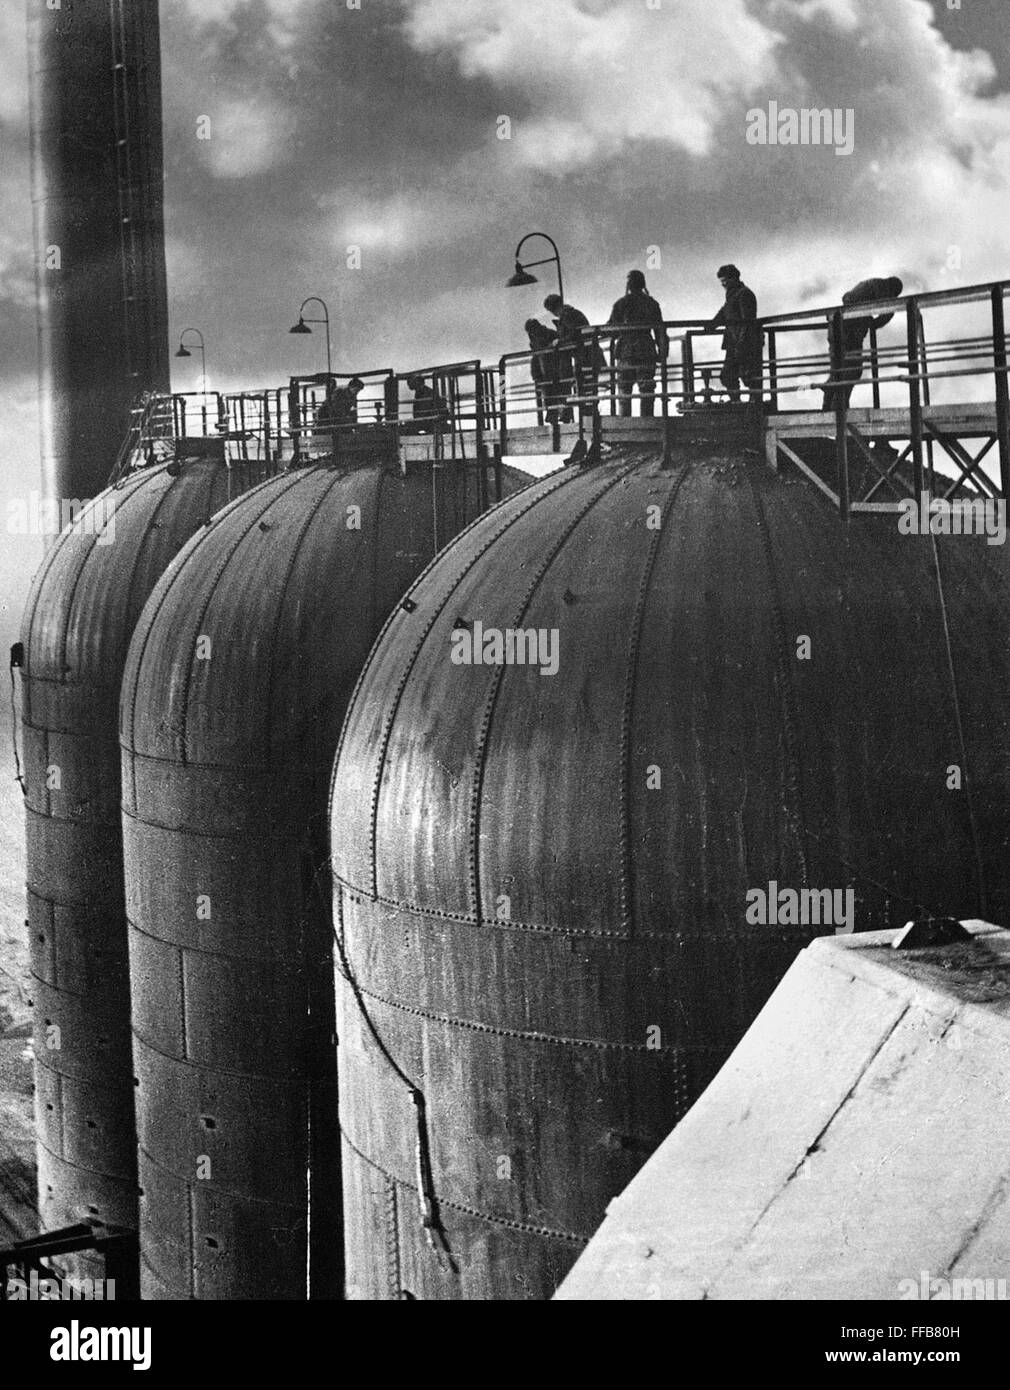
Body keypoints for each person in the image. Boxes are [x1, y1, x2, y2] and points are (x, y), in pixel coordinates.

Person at [822, 276, 904, 412]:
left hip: (837, 327)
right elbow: (887, 313)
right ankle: (838, 407)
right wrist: (872, 323)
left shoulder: (869, 285)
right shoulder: (883, 288)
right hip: (849, 332)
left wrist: (868, 320)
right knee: (852, 370)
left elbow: (848, 298)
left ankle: (828, 405)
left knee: (838, 370)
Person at [607, 270, 668, 417]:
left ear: (628, 284)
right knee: (646, 390)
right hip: (646, 350)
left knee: (624, 391)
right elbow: (660, 330)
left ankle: (624, 423)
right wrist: (663, 352)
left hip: (626, 352)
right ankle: (647, 422)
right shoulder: (651, 304)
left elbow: (611, 329)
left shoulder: (621, 304)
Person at [707, 265, 763, 402]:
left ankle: (752, 403)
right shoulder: (733, 295)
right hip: (734, 342)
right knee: (729, 375)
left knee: (748, 376)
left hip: (744, 343)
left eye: (725, 281)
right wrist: (710, 326)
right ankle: (737, 401)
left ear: (734, 278)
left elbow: (748, 321)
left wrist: (741, 343)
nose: (723, 284)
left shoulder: (744, 294)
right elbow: (724, 313)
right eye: (722, 281)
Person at [544, 294, 601, 417]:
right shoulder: (571, 314)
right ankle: (589, 415)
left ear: (555, 308)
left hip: (585, 356)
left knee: (586, 387)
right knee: (587, 388)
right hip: (586, 355)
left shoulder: (568, 316)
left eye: (552, 311)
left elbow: (574, 334)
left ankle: (589, 417)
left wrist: (559, 341)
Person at [525, 319, 566, 424]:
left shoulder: (546, 336)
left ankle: (559, 415)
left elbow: (537, 357)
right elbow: (536, 357)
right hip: (546, 372)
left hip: (552, 370)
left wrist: (536, 376)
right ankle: (557, 416)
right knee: (552, 394)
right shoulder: (538, 338)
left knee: (554, 394)